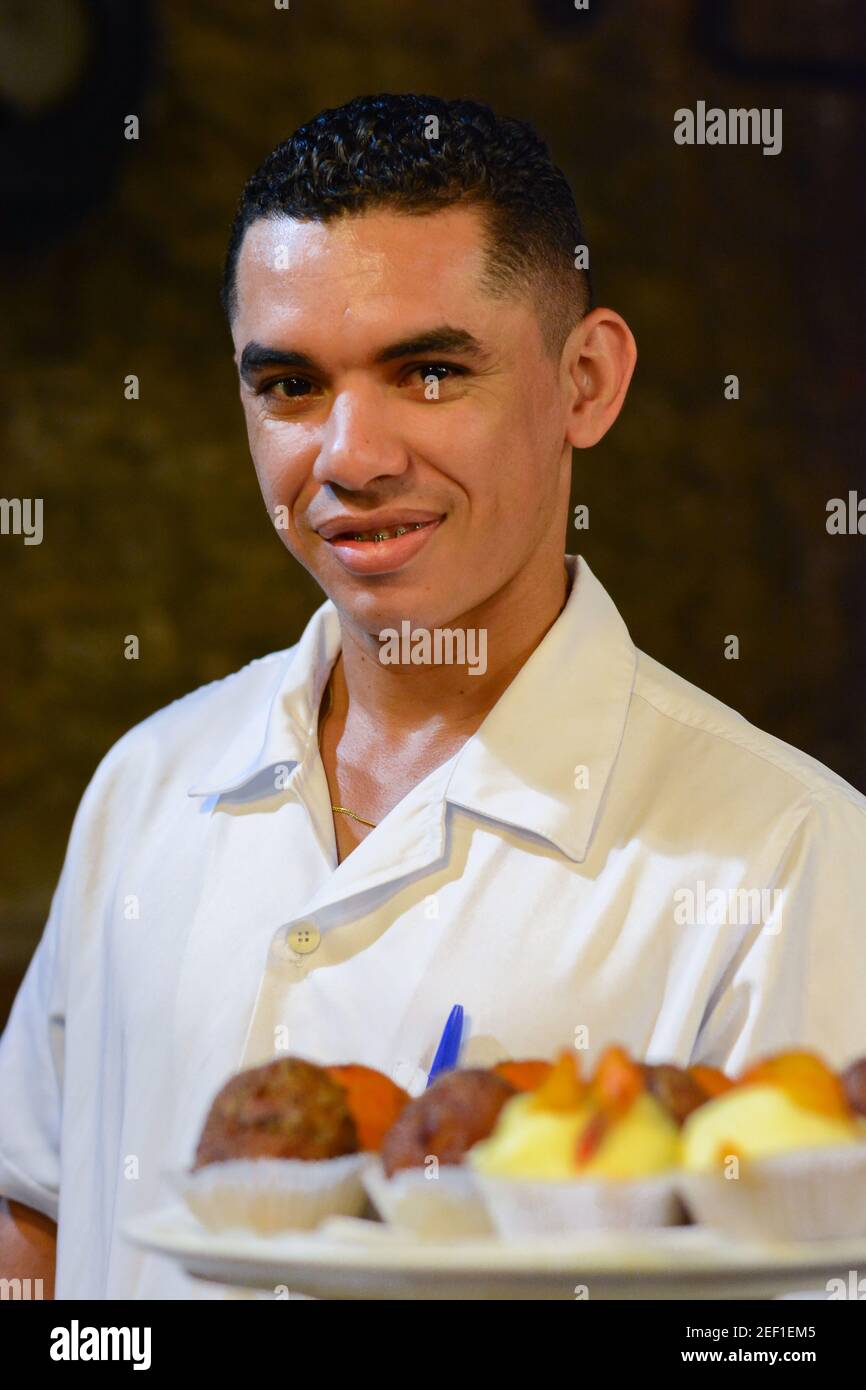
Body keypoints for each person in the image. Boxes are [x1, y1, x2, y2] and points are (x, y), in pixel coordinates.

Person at [1, 92, 865, 1299]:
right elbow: (32, 1211)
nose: (350, 456)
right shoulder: (149, 783)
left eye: (427, 370)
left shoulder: (785, 854)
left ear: (585, 383)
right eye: (290, 385)